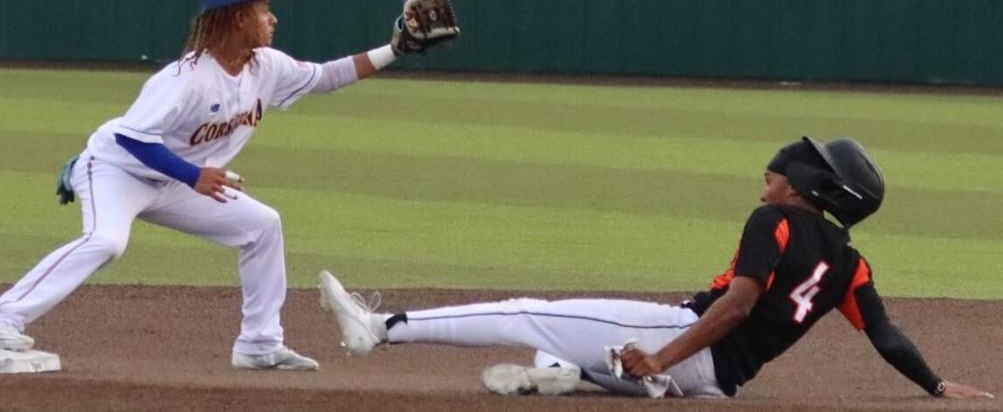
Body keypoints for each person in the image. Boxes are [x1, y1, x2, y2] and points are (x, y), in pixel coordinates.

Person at [0, 0, 453, 370]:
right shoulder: (185, 80)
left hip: (180, 179)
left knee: (263, 226)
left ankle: (259, 345)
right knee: (107, 241)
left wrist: (396, 49)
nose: (272, 18)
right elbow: (131, 137)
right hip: (119, 169)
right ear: (239, 18)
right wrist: (194, 176)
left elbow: (327, 76)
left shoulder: (267, 66)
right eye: (264, 9)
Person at [318, 136, 994, 398]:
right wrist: (935, 385)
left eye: (801, 162)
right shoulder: (851, 264)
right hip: (722, 382)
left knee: (532, 313)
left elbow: (735, 306)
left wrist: (663, 355)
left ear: (810, 186)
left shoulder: (776, 220)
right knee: (603, 356)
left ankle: (380, 329)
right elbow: (885, 335)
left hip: (689, 344)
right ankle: (573, 377)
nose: (788, 162)